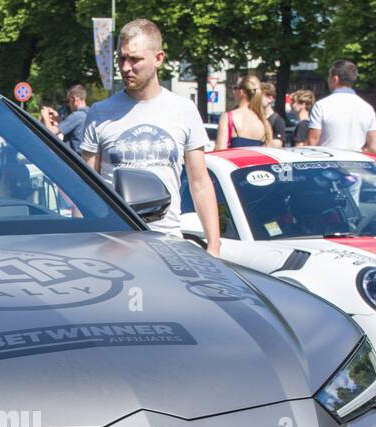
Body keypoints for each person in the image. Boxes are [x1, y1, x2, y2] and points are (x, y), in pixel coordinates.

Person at [80, 18, 221, 252]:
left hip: (168, 242)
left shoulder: (183, 110)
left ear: (159, 59)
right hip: (114, 243)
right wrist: (87, 243)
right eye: (121, 59)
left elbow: (200, 182)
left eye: (134, 59)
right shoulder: (100, 112)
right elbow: (85, 186)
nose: (125, 67)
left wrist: (214, 245)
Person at [307, 60, 376, 153]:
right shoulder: (367, 108)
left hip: (329, 163)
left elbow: (312, 143)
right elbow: (375, 148)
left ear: (335, 79)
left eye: (329, 76)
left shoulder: (322, 105)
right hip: (356, 164)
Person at [214, 73, 272, 149]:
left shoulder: (228, 117)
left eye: (235, 88)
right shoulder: (263, 121)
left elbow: (220, 151)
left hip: (233, 160)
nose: (233, 92)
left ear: (241, 92)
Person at [58, 84, 89, 153]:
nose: (68, 104)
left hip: (73, 158)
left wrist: (45, 116)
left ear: (74, 99)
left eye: (69, 101)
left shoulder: (76, 116)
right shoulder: (90, 113)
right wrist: (58, 118)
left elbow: (52, 132)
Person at [262, 81, 288, 146]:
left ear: (270, 99)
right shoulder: (255, 118)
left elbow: (277, 145)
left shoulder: (277, 121)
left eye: (259, 97)